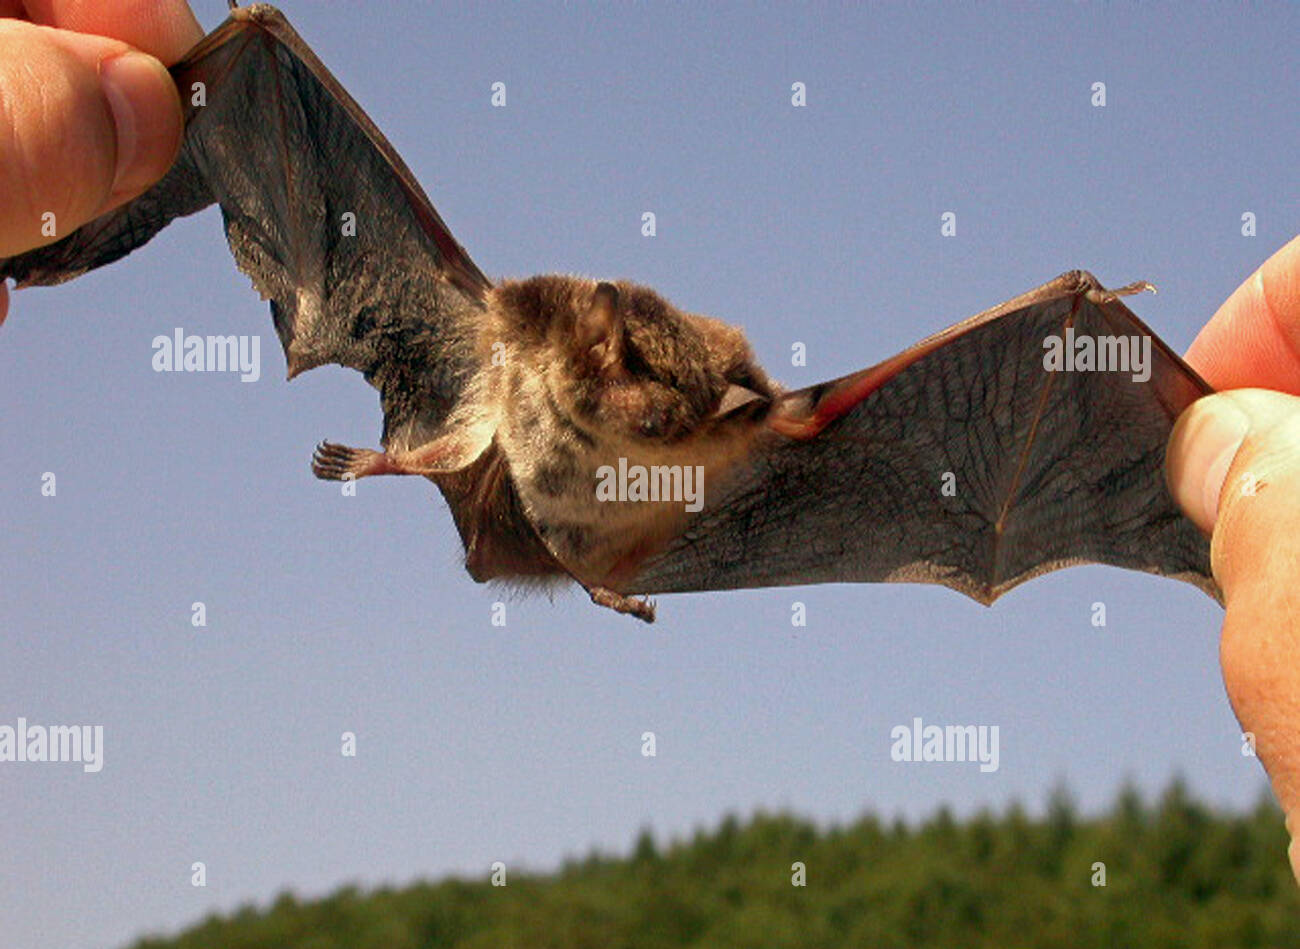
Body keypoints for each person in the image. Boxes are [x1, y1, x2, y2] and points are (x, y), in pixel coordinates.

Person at [2, 2, 1298, 881]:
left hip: (611, 534)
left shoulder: (753, 434)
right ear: (593, 368)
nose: (651, 421)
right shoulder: (496, 334)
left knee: (1064, 339)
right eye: (638, 404)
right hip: (502, 458)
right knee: (255, 63)